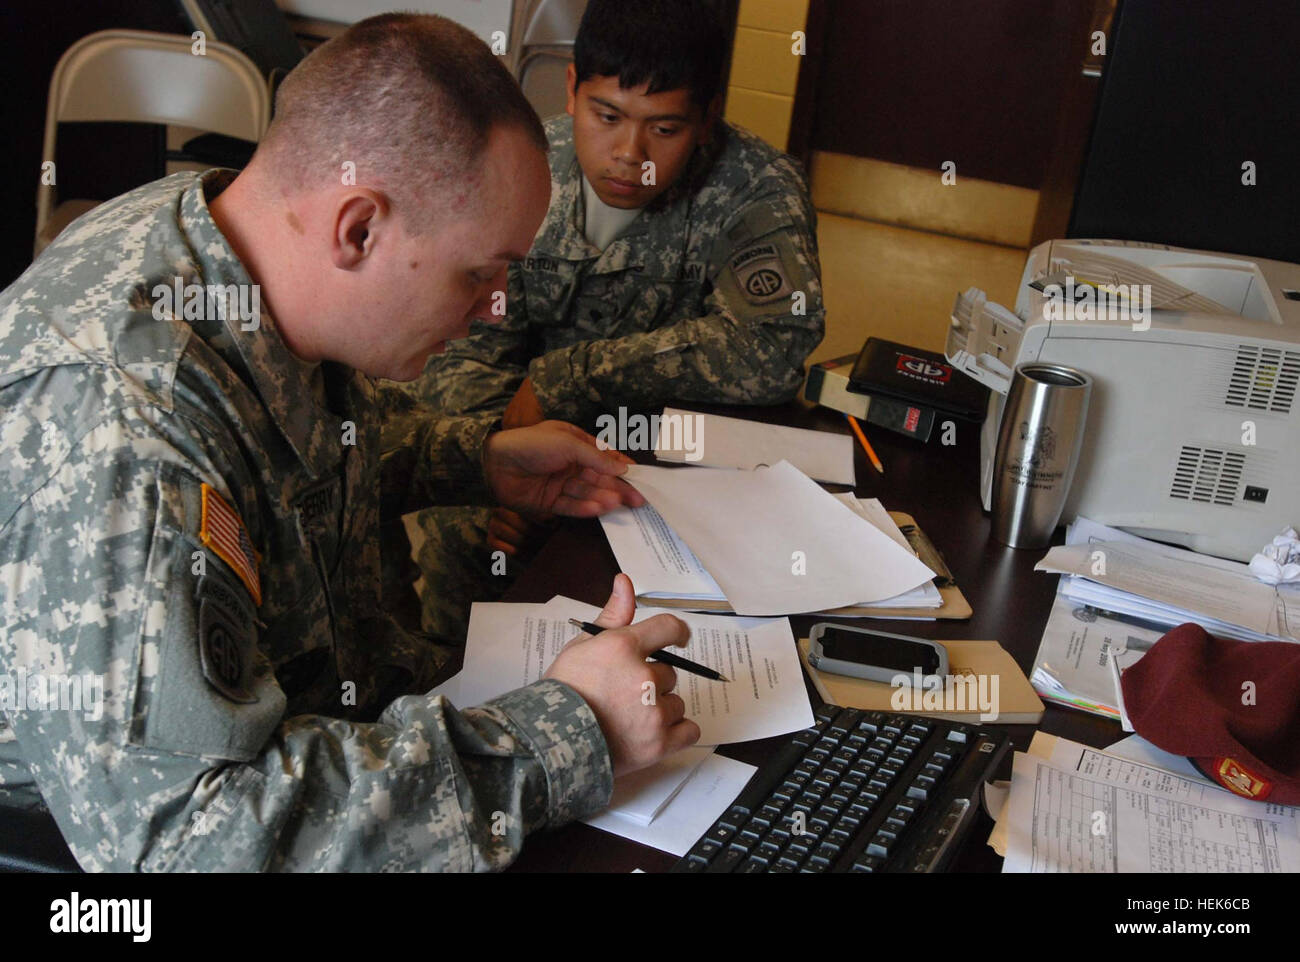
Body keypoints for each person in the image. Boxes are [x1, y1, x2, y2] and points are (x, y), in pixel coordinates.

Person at [0, 13, 698, 872]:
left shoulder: (246, 238)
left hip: (339, 715)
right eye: (480, 273)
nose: (497, 308)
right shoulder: (123, 425)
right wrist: (563, 735)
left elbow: (287, 454)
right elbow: (193, 839)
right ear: (359, 228)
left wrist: (469, 456)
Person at [403, 0, 826, 641]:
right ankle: (449, 678)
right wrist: (498, 458)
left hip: (662, 459)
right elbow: (463, 344)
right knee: (467, 535)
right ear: (572, 88)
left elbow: (771, 346)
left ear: (707, 118)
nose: (631, 154)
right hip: (514, 431)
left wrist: (571, 377)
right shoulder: (524, 171)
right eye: (607, 116)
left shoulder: (756, 189)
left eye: (665, 129)